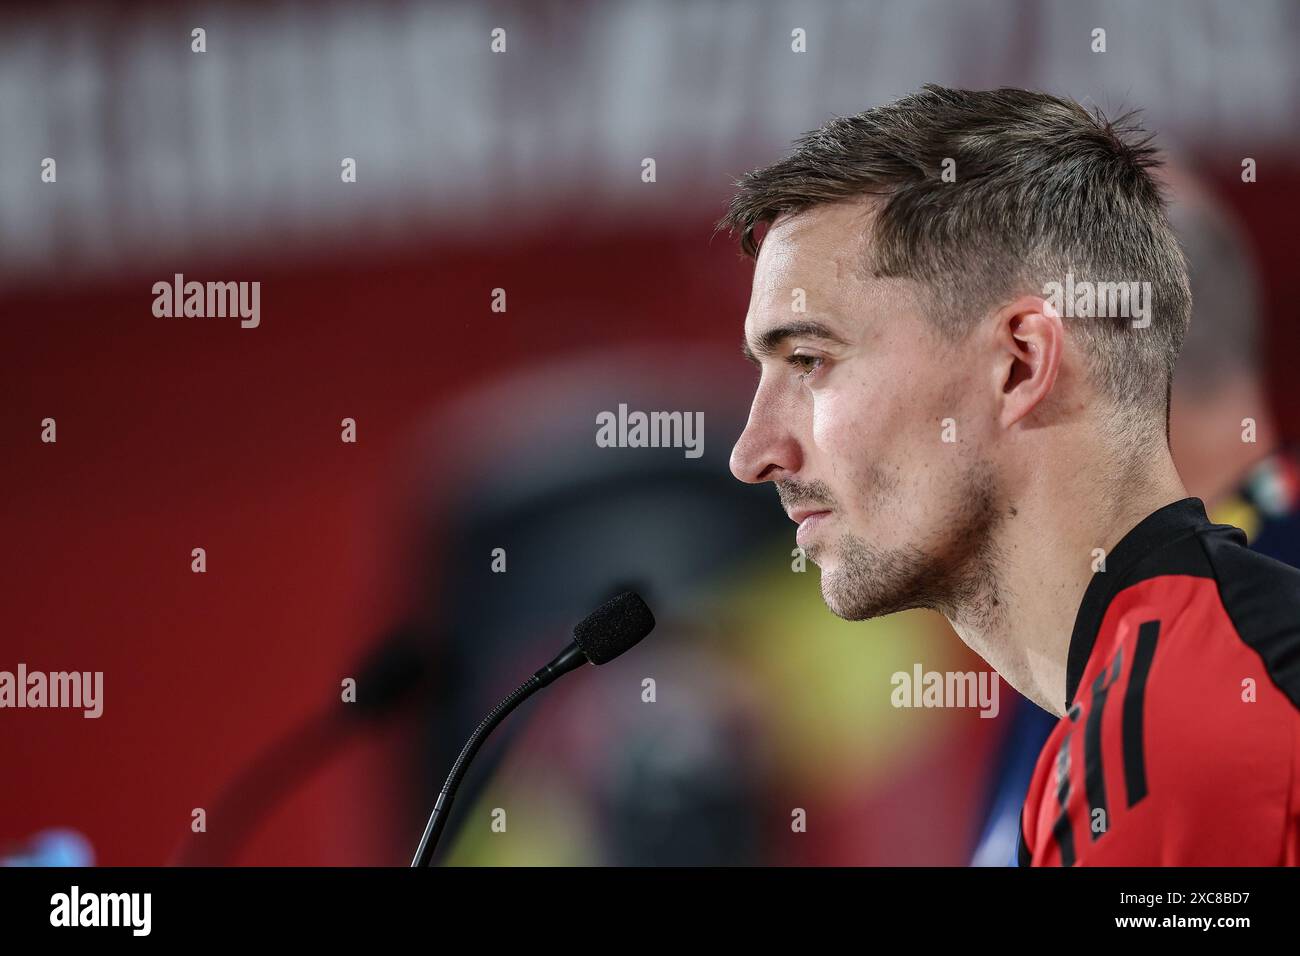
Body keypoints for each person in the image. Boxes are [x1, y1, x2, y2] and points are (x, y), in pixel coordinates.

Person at [719, 85, 1300, 865]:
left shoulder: (1179, 736)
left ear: (1019, 363)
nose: (752, 452)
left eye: (810, 361)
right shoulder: (1124, 709)